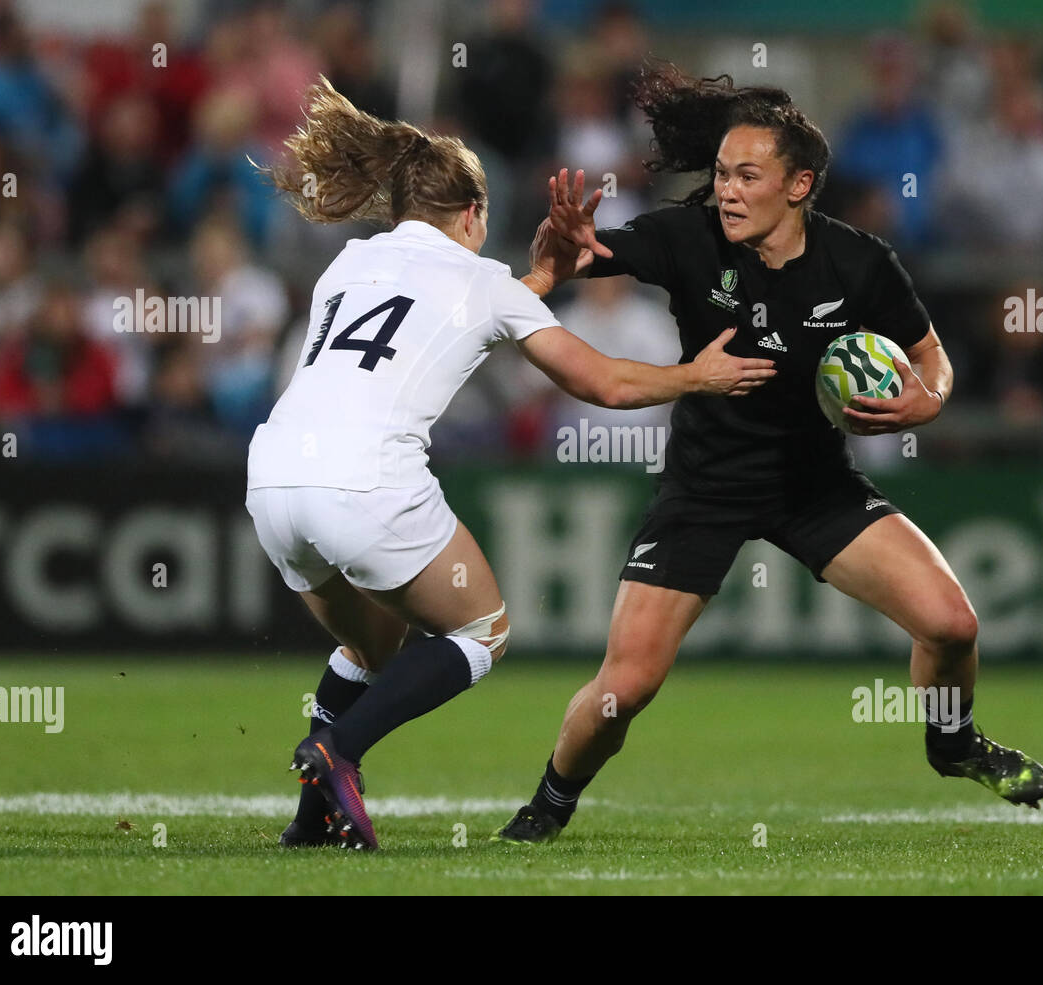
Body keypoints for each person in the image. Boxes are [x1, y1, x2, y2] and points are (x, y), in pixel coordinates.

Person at [497, 65, 1043, 844]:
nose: (725, 190)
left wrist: (927, 398)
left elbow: (932, 356)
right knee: (627, 687)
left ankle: (952, 741)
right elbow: (571, 264)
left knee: (953, 624)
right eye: (722, 174)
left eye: (745, 176)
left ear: (798, 186)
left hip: (815, 485)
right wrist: (556, 248)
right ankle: (549, 802)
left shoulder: (860, 263)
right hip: (705, 487)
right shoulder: (686, 237)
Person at [246, 78, 776, 849]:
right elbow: (606, 381)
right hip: (367, 480)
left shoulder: (351, 263)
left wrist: (540, 282)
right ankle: (338, 750)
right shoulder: (484, 280)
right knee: (479, 630)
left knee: (369, 648)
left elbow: (450, 308)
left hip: (274, 479)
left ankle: (311, 819)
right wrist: (698, 375)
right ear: (473, 215)